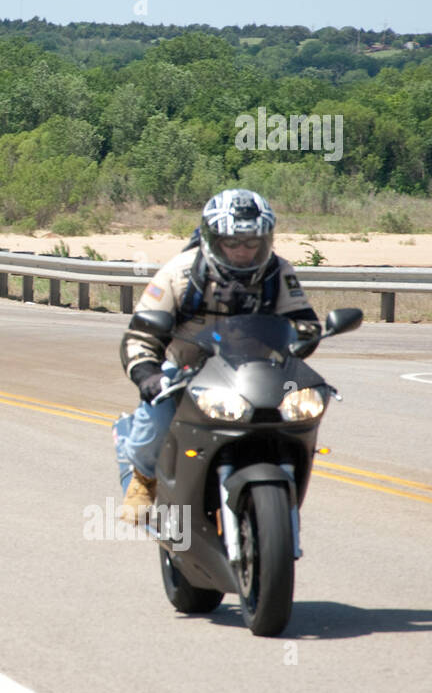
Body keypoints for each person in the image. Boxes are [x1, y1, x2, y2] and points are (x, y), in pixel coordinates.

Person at [115, 189, 320, 524]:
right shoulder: (179, 274)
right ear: (213, 239)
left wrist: (302, 338)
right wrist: (147, 375)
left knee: (298, 416)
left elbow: (304, 321)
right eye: (233, 243)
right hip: (186, 372)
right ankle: (143, 478)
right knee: (154, 421)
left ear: (266, 240)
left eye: (252, 243)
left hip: (256, 375)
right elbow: (139, 335)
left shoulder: (278, 273)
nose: (243, 252)